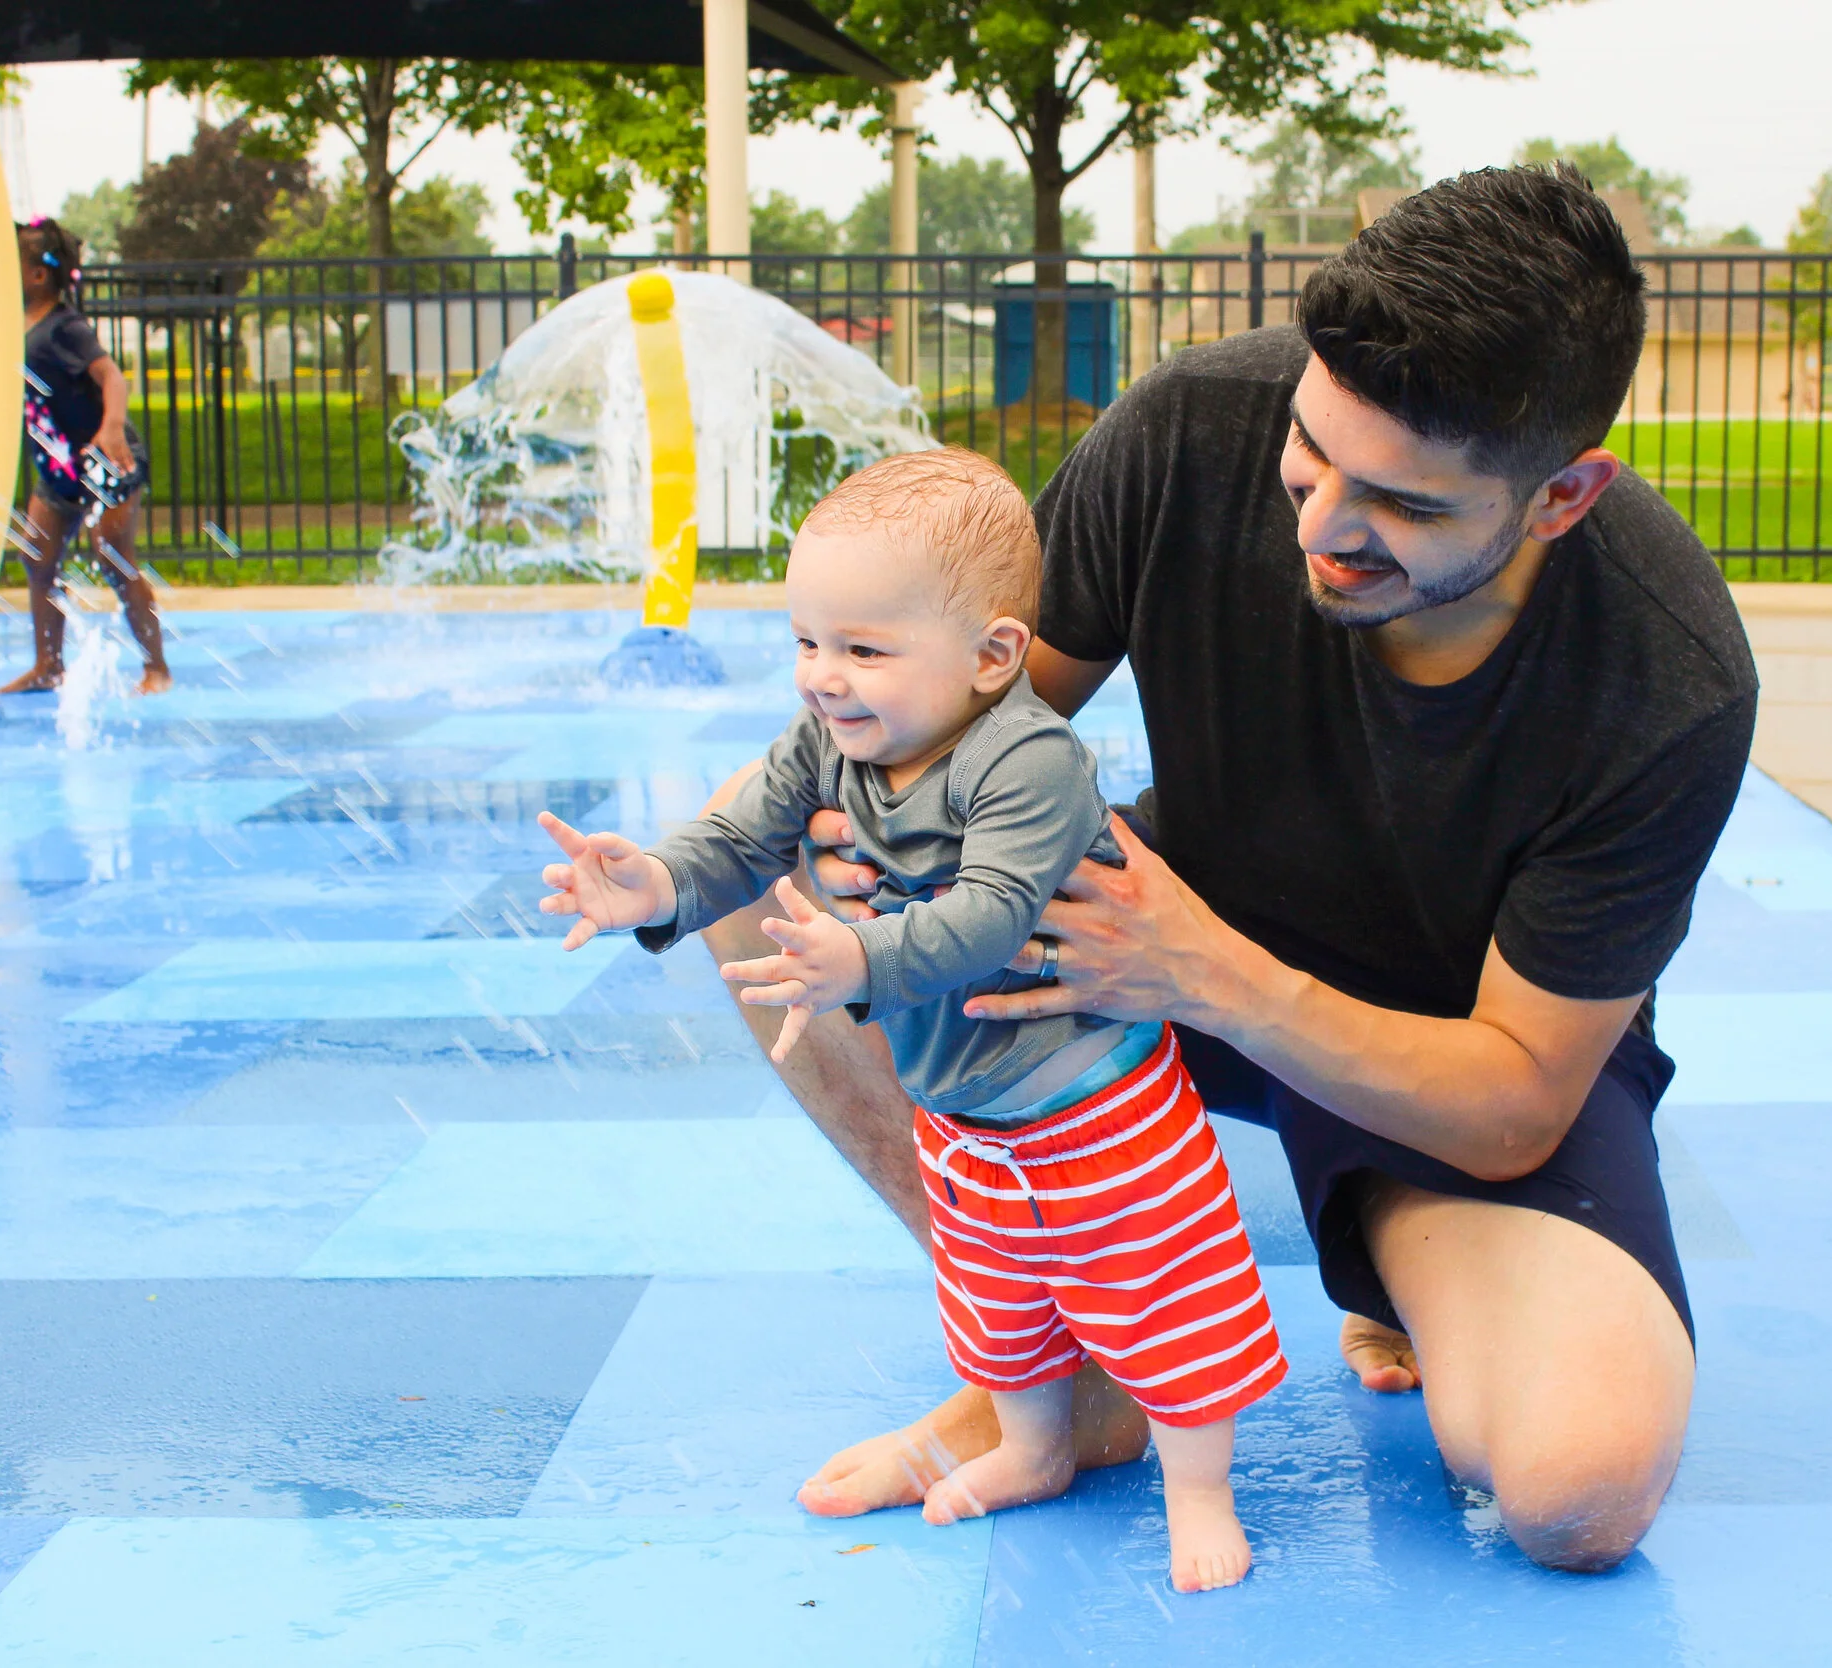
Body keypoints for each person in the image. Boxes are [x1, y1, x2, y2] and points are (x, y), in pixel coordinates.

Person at [700, 166, 1759, 1574]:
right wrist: (848, 838)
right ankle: (1061, 1363)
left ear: (1563, 496)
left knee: (1579, 1493)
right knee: (765, 874)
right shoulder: (1193, 432)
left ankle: (1390, 1245)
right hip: (1148, 956)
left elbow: (1513, 1102)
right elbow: (953, 710)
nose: (1322, 524)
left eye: (1406, 505)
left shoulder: (1662, 678)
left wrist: (1208, 969)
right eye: (1313, 453)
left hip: (1440, 1056)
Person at [537, 449, 1287, 1593]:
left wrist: (860, 957)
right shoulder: (832, 743)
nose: (823, 679)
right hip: (964, 1113)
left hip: (1094, 1103)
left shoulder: (1026, 758)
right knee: (1002, 1309)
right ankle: (1034, 1448)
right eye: (806, 642)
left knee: (1160, 1297)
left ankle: (1199, 1489)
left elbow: (990, 917)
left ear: (992, 656)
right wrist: (655, 887)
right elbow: (741, 835)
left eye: (863, 650)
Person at [0, 218, 170, 695]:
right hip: (57, 469)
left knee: (114, 560)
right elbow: (22, 397)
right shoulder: (14, 327)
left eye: (10, 261)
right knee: (37, 561)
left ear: (38, 275)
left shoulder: (65, 326)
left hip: (105, 458)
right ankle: (48, 666)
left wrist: (113, 425)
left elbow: (111, 377)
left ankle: (156, 667)